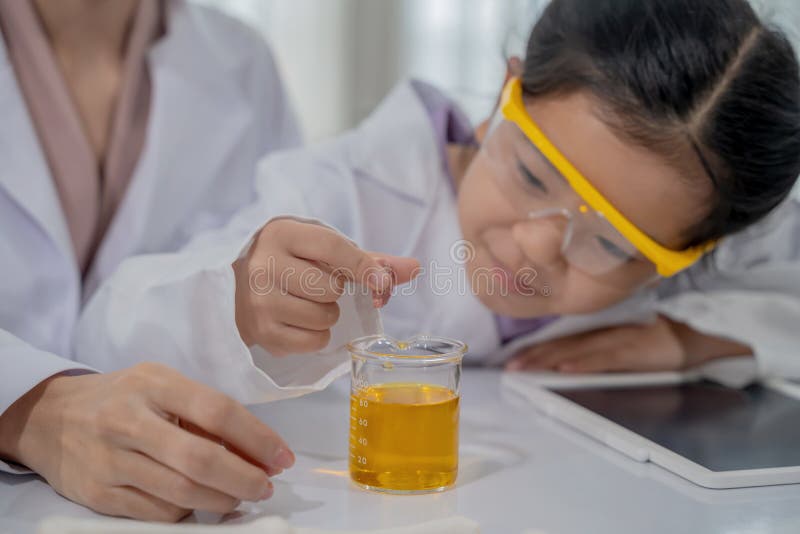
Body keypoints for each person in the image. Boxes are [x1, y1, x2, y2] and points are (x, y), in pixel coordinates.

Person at [73, 0, 800, 402]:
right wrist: (235, 302)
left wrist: (696, 336)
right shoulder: (343, 193)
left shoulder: (702, 207)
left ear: (697, 250)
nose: (538, 246)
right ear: (504, 93)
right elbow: (103, 331)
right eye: (534, 176)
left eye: (613, 244)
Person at [0, 0, 341, 522]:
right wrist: (37, 411)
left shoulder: (242, 60)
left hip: (175, 500)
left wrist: (250, 304)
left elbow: (270, 282)